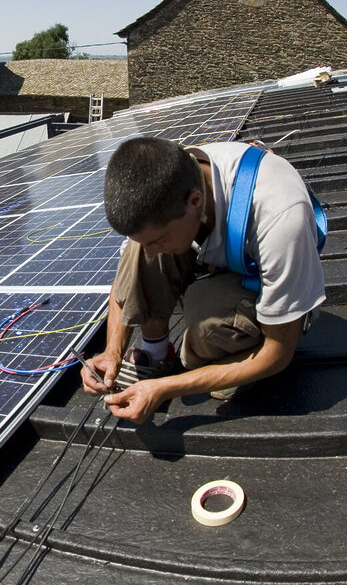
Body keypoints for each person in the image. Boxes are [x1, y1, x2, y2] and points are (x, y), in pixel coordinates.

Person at [81, 137, 325, 424]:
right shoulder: (167, 186)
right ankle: (157, 353)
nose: (150, 253)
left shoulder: (279, 216)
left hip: (268, 289)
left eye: (157, 240)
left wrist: (166, 388)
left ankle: (233, 355)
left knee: (207, 330)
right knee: (140, 251)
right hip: (218, 256)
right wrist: (111, 353)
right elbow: (129, 273)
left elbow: (279, 352)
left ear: (195, 201)